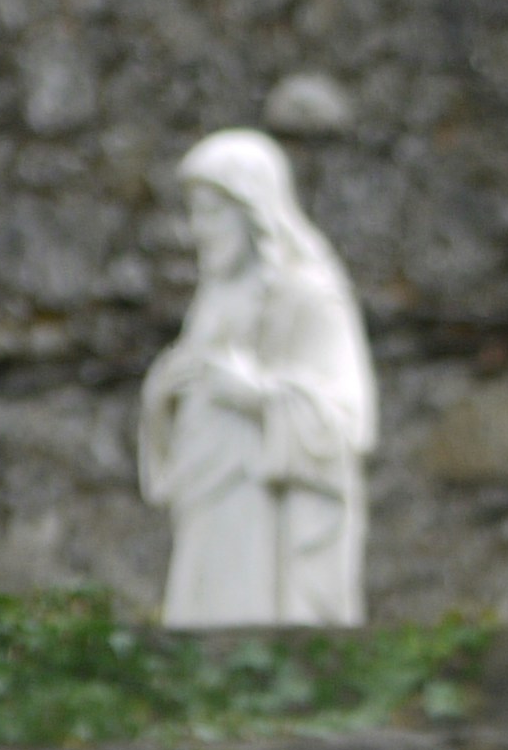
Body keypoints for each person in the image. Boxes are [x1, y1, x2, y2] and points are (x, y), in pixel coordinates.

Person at [137, 130, 374, 626]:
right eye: (194, 212)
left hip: (264, 522)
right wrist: (164, 393)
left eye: (211, 211)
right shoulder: (213, 298)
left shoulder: (309, 295)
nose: (198, 230)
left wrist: (258, 397)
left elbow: (349, 422)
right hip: (207, 506)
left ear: (253, 208)